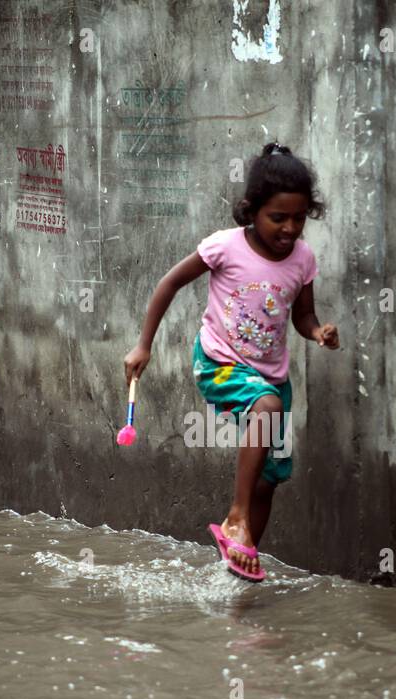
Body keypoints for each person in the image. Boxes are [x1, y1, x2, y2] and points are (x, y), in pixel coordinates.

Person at [123, 141, 339, 581]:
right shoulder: (224, 247)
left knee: (272, 475)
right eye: (278, 217)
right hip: (219, 363)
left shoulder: (303, 260)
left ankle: (242, 553)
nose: (289, 228)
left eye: (299, 218)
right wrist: (144, 344)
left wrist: (317, 332)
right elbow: (169, 284)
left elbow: (302, 315)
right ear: (251, 211)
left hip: (272, 376)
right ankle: (236, 515)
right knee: (266, 408)